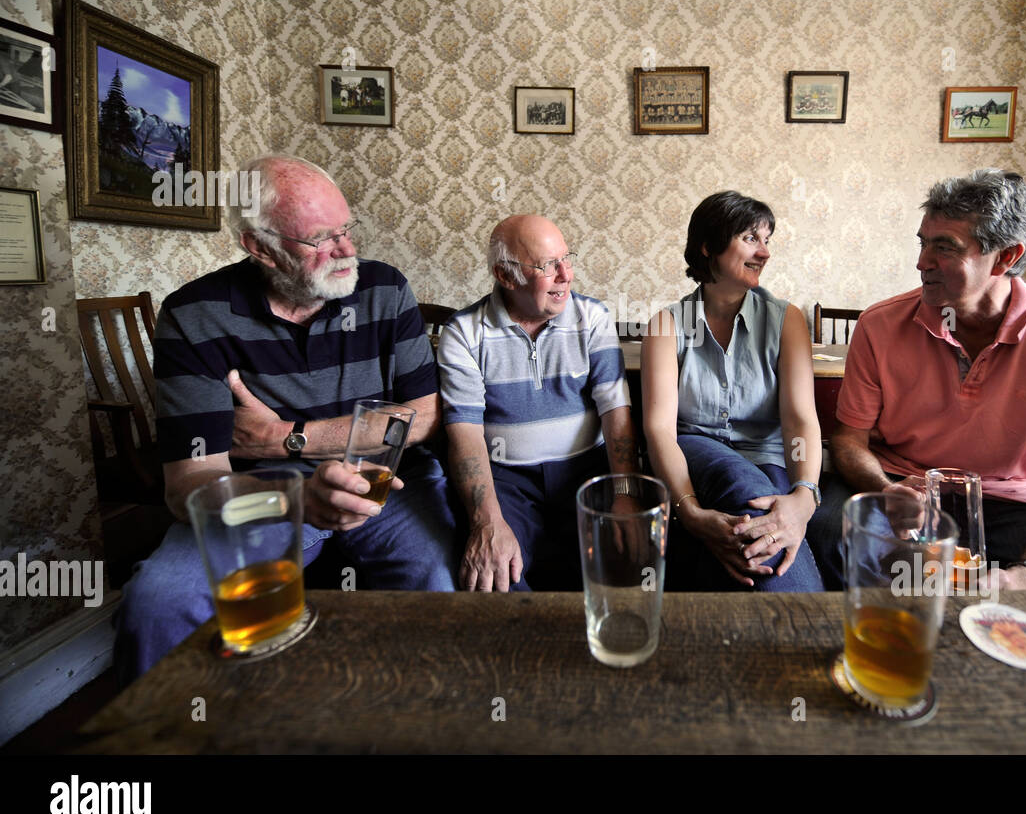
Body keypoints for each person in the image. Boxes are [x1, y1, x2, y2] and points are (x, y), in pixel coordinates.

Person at [116, 155, 459, 680]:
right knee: (158, 603)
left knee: (440, 576)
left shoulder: (386, 290)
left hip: (385, 482)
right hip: (258, 494)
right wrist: (298, 498)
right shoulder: (194, 314)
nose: (346, 250)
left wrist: (282, 438)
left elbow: (424, 418)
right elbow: (190, 484)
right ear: (260, 247)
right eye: (321, 239)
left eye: (346, 229)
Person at [810, 169, 1026, 591]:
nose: (922, 263)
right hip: (903, 487)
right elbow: (849, 442)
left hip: (1019, 504)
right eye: (923, 243)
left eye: (945, 248)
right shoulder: (879, 324)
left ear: (1007, 256)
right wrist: (886, 488)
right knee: (829, 542)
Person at [437, 215, 638, 591]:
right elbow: (464, 433)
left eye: (567, 258)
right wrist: (488, 522)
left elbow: (616, 411)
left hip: (585, 474)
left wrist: (625, 494)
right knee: (495, 578)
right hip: (506, 481)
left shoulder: (593, 317)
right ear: (506, 275)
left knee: (619, 571)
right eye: (547, 265)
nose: (565, 275)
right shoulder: (463, 332)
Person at [641, 191, 824, 591]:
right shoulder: (666, 325)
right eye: (750, 238)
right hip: (697, 456)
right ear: (708, 246)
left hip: (769, 457)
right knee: (746, 491)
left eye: (767, 241)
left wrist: (804, 496)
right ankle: (809, 624)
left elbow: (800, 419)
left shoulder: (785, 319)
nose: (765, 253)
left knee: (765, 516)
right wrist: (687, 509)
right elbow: (659, 430)